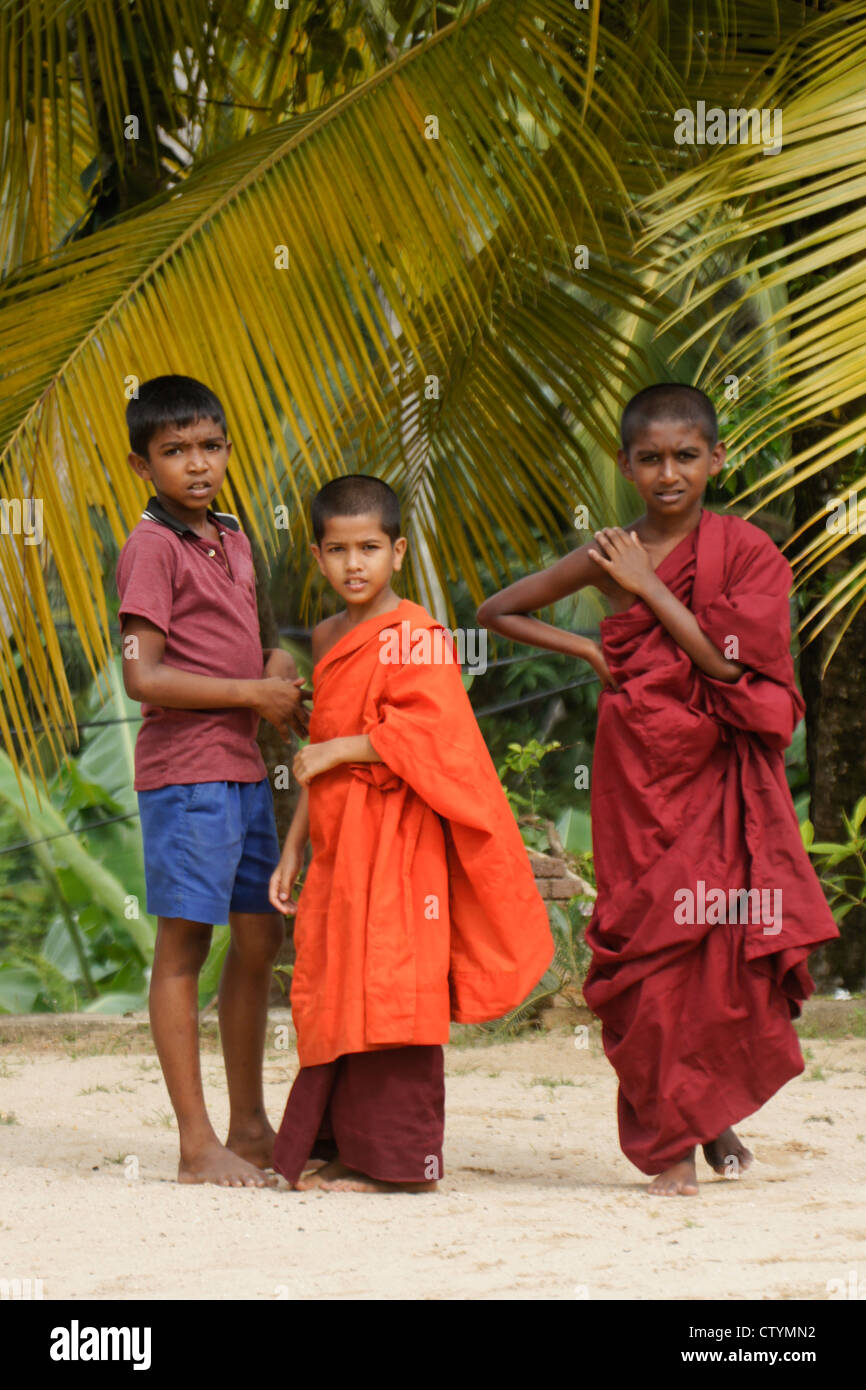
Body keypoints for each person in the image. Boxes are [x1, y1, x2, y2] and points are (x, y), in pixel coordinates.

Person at [477, 383, 838, 1196]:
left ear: (716, 458)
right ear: (625, 463)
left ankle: (708, 1115)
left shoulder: (748, 551)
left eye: (685, 456)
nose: (668, 474)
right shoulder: (612, 551)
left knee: (717, 935)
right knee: (649, 940)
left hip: (716, 765)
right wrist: (591, 652)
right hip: (638, 768)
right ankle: (671, 1139)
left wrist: (647, 587)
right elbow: (497, 610)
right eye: (650, 459)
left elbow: (726, 664)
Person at [268, 474, 553, 1192]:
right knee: (337, 981)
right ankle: (339, 1145)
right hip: (338, 841)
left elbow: (436, 735)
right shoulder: (332, 636)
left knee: (394, 979)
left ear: (397, 551)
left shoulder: (418, 634)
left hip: (400, 842)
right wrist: (295, 846)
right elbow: (316, 751)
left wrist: (341, 750)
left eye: (369, 547)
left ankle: (400, 1164)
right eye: (338, 550)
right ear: (317, 555)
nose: (354, 564)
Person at [117, 374, 309, 1186]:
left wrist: (282, 671)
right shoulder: (150, 547)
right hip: (186, 776)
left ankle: (251, 1125)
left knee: (260, 937)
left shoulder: (231, 535)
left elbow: (260, 643)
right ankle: (198, 1145)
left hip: (242, 770)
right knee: (183, 947)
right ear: (142, 465)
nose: (196, 465)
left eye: (208, 447)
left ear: (228, 449)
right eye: (174, 452)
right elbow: (143, 679)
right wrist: (251, 695)